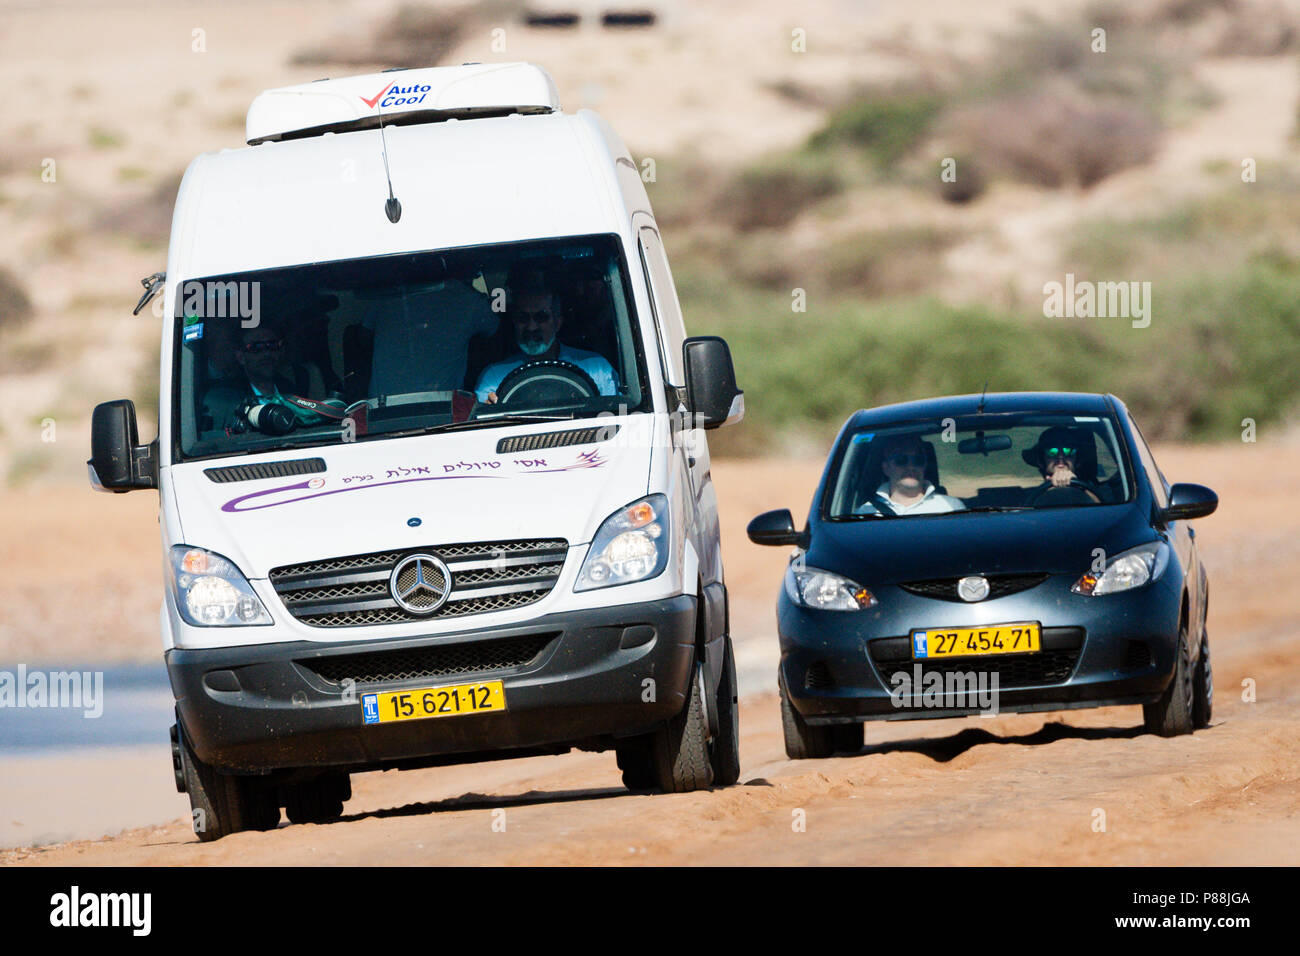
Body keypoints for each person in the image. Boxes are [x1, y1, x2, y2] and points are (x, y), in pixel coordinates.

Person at [475, 285, 619, 403]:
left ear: (557, 323)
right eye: (523, 318)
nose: (531, 327)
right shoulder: (493, 377)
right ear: (514, 323)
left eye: (541, 317)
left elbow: (614, 418)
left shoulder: (597, 369)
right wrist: (491, 411)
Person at [204, 324, 343, 433]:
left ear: (281, 352)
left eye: (272, 346)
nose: (266, 354)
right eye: (256, 348)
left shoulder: (293, 391)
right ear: (241, 357)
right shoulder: (224, 400)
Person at [854, 435, 966, 516]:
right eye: (901, 460)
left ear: (925, 466)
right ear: (886, 468)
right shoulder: (866, 512)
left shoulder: (951, 507)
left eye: (918, 460)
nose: (911, 466)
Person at [1026, 426, 1100, 504]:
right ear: (1041, 461)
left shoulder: (1102, 491)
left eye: (1068, 451)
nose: (1061, 457)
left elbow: (1103, 512)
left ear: (1077, 460)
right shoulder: (1027, 496)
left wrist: (1080, 487)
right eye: (1052, 451)